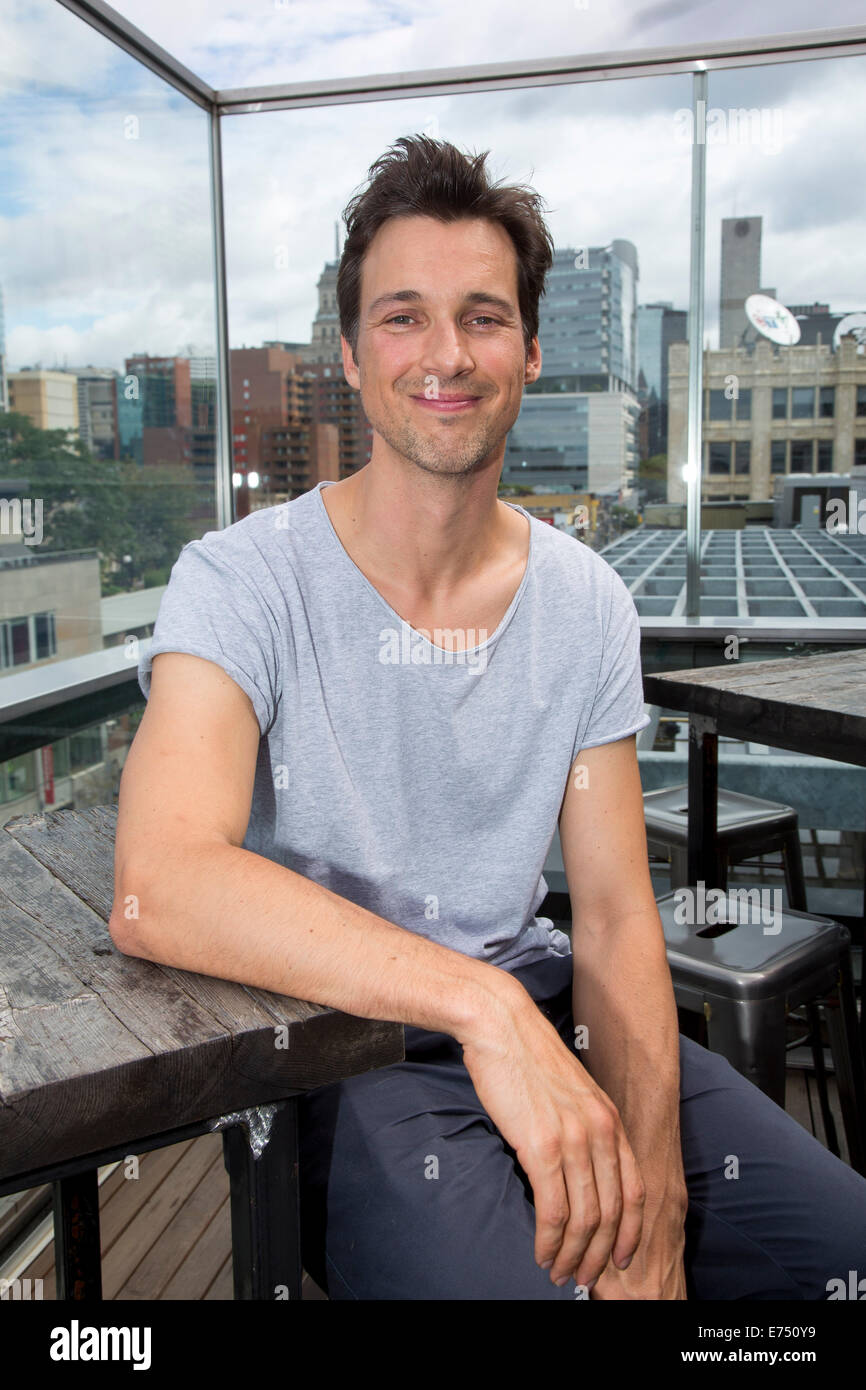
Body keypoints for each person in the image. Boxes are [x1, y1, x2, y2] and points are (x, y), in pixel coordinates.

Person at [111, 135, 866, 1300]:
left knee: (841, 1255)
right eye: (403, 317)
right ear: (353, 357)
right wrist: (480, 1005)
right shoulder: (240, 579)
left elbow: (615, 917)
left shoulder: (585, 601)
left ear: (526, 351)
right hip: (348, 1052)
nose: (445, 354)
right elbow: (157, 879)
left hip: (552, 1011)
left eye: (482, 315)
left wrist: (654, 1188)